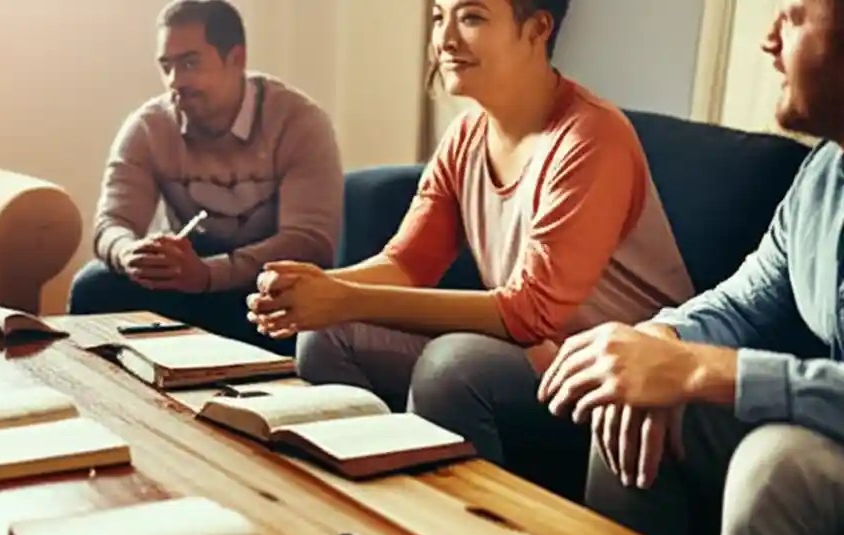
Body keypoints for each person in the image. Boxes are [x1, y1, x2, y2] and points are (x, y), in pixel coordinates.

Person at [248, 0, 693, 492]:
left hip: (609, 380)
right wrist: (313, 289)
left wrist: (345, 298)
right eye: (440, 17)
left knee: (453, 365)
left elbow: (532, 311)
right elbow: (408, 262)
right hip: (531, 354)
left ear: (537, 29)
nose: (446, 39)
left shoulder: (591, 137)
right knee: (326, 335)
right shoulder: (467, 133)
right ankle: (370, 503)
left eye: (473, 17)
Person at [539, 1, 844, 535]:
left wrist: (710, 372)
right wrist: (661, 343)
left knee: (781, 468)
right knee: (633, 391)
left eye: (796, 16)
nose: (769, 37)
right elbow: (743, 299)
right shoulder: (824, 174)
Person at [68, 0, 344, 353]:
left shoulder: (299, 121)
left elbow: (310, 242)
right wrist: (129, 254)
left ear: (236, 59)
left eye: (190, 63)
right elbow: (112, 224)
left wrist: (211, 275)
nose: (175, 81)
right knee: (93, 286)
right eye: (166, 66)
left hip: (266, 283)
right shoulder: (150, 126)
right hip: (187, 274)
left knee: (296, 302)